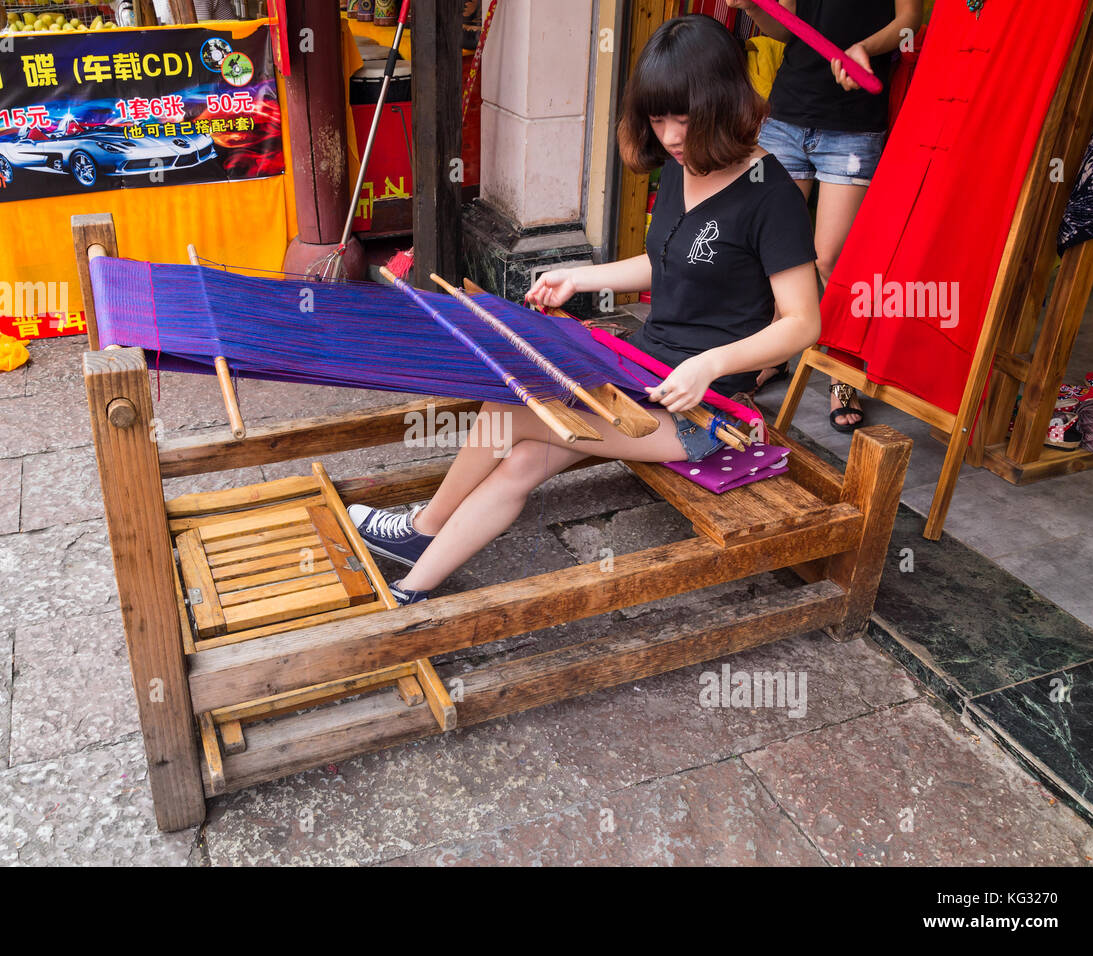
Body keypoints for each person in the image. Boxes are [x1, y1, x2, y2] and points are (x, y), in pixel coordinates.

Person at [348, 14, 820, 604]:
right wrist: (579, 276)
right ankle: (412, 591)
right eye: (658, 117)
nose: (671, 135)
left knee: (506, 412)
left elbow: (803, 321)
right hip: (641, 375)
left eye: (684, 117)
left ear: (724, 102)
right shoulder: (680, 169)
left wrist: (709, 365)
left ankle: (423, 527)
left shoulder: (769, 195)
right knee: (521, 460)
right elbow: (672, 264)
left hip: (705, 416)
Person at [730, 0, 922, 430]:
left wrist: (864, 49)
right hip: (786, 118)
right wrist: (752, 9)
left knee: (831, 258)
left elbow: (910, 22)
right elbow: (787, 29)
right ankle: (772, 352)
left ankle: (843, 370)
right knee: (772, 248)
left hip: (852, 127)